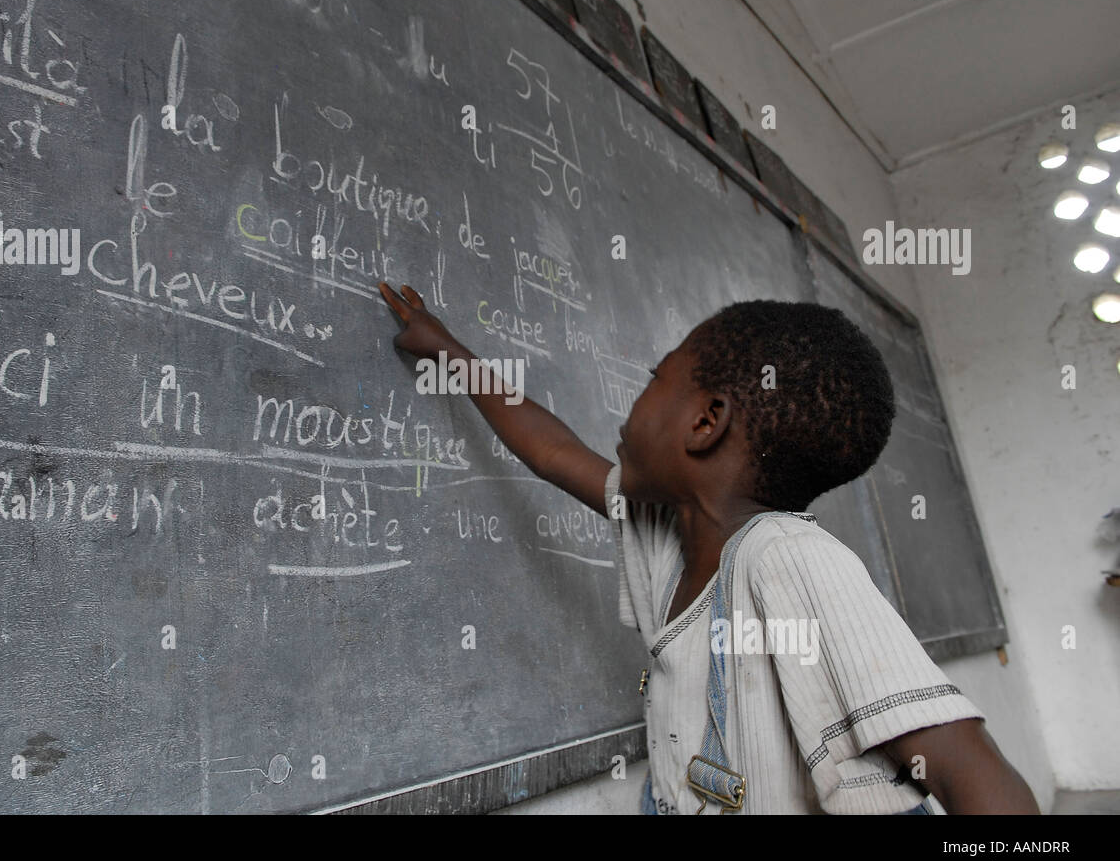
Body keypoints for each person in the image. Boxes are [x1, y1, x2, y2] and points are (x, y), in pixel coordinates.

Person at [378, 282, 1038, 815]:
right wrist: (445, 350)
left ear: (704, 422)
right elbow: (553, 453)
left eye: (654, 379)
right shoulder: (664, 533)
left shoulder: (787, 558)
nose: (632, 404)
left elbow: (968, 769)